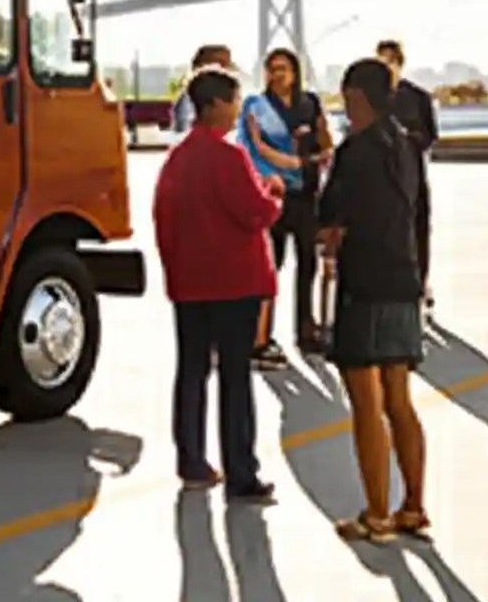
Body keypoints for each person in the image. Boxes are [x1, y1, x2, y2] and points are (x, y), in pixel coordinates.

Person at [153, 66, 282, 503]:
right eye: (233, 101)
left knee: (191, 372)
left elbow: (164, 221)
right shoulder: (230, 158)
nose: (236, 110)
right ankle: (240, 471)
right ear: (215, 105)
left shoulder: (176, 160)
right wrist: (273, 193)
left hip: (190, 284)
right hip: (234, 283)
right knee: (234, 379)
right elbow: (254, 213)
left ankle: (191, 462)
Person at [318, 58, 429, 543]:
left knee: (366, 402)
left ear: (357, 97)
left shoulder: (353, 152)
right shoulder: (409, 146)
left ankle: (377, 514)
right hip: (404, 281)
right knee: (399, 401)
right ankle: (413, 507)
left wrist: (330, 240)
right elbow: (421, 215)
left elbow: (330, 223)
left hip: (364, 285)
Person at [237, 48, 334, 369]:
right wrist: (274, 173)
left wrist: (314, 155)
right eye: (270, 69)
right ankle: (261, 336)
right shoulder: (255, 107)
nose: (276, 75)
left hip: (306, 196)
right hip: (272, 198)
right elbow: (249, 149)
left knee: (308, 264)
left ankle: (307, 331)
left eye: (283, 68)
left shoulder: (310, 104)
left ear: (295, 72)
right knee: (269, 269)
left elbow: (325, 144)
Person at [376, 40, 438, 318]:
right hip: (380, 176)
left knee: (419, 231)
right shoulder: (373, 97)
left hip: (412, 173)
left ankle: (420, 285)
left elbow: (430, 136)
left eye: (390, 60)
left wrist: (409, 139)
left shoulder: (418, 97)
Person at [171, 44, 234, 134]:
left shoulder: (231, 99)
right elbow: (186, 133)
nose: (227, 70)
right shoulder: (190, 100)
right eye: (221, 64)